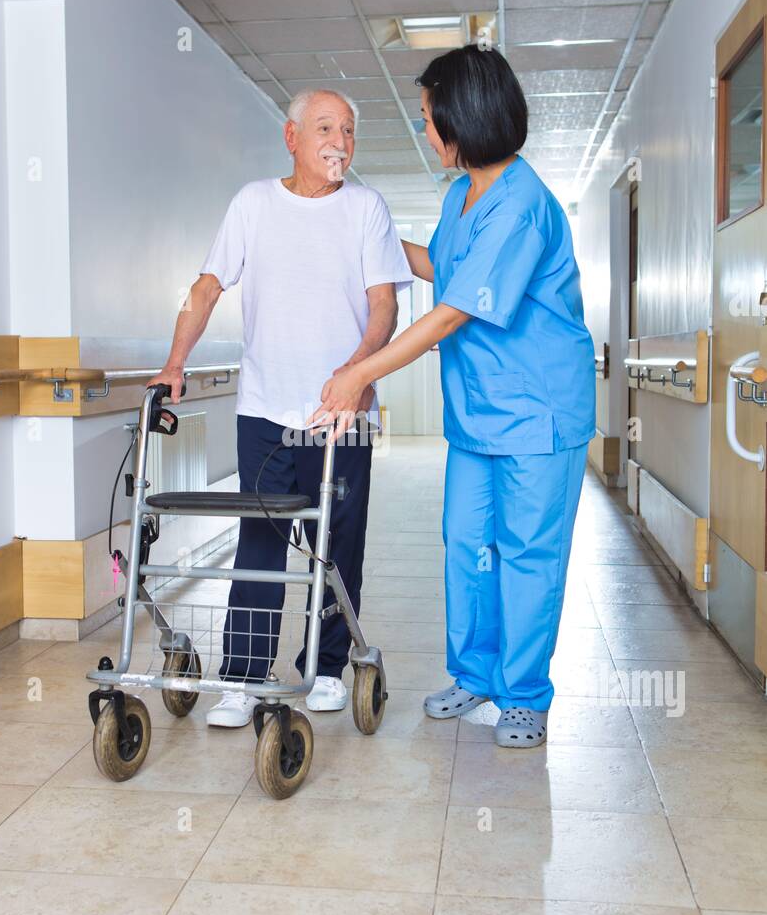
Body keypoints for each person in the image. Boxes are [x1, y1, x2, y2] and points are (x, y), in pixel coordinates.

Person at [308, 45, 596, 747]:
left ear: (462, 121)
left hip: (539, 414)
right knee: (467, 544)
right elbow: (443, 267)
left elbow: (450, 312)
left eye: (427, 120)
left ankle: (524, 694)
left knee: (527, 551)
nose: (424, 133)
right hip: (477, 415)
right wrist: (367, 226)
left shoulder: (522, 204)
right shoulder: (460, 193)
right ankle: (474, 676)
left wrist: (360, 372)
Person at [149, 88, 413, 727]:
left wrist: (358, 371)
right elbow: (207, 288)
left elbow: (385, 305)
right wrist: (175, 361)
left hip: (343, 412)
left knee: (337, 542)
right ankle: (243, 674)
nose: (340, 142)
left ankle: (325, 666)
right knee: (259, 540)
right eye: (326, 128)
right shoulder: (253, 204)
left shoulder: (366, 209)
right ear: (291, 137)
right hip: (265, 409)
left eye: (349, 131)